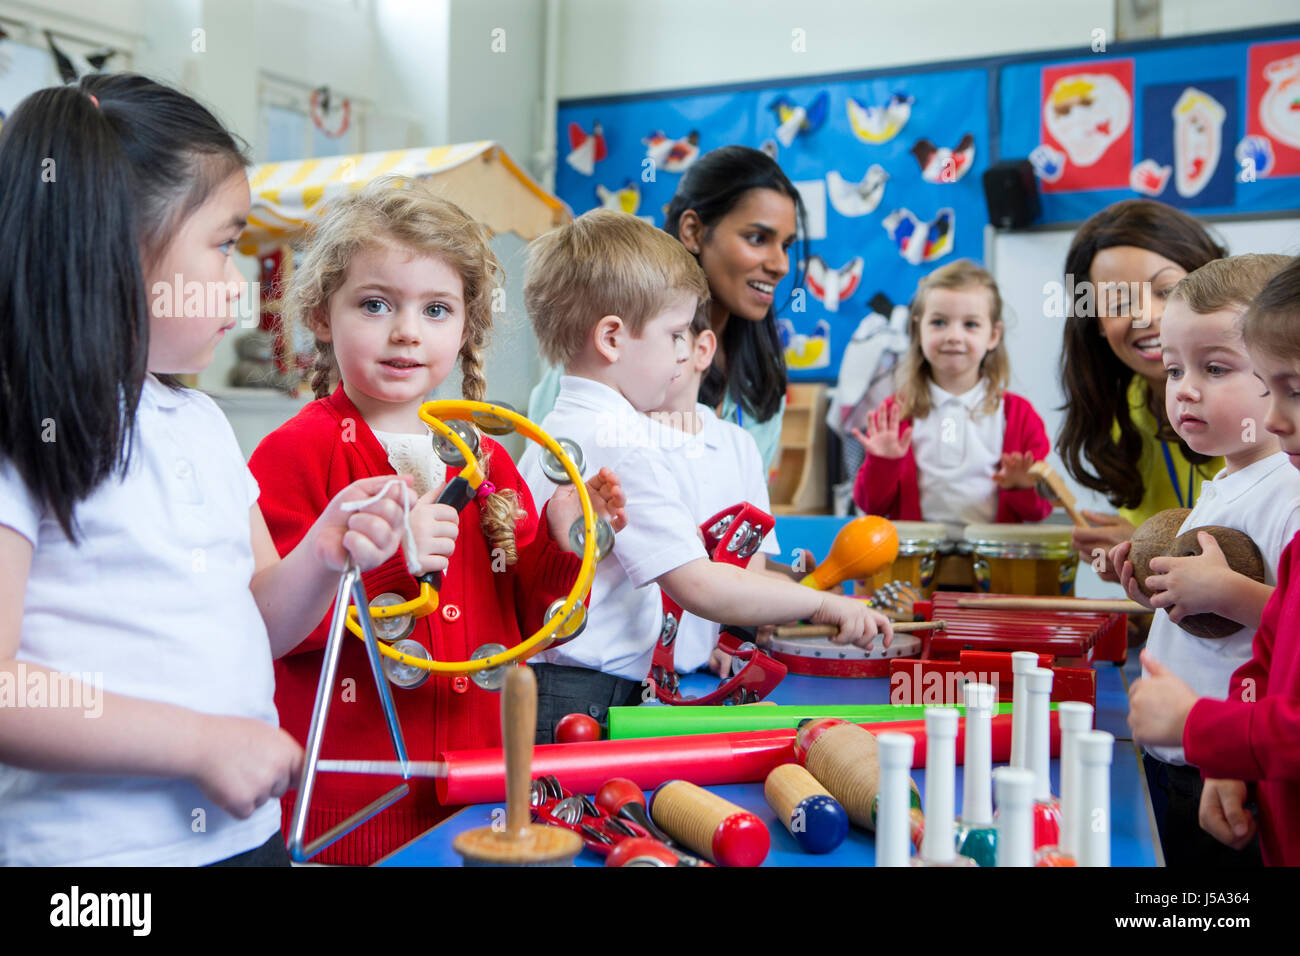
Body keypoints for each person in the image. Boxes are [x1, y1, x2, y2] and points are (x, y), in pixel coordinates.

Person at [0, 74, 410, 866]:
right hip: (95, 864)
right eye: (225, 245)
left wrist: (323, 555)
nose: (242, 285)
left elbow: (258, 618)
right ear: (115, 243)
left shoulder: (200, 424)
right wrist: (195, 743)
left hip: (244, 836)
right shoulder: (24, 425)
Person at [248, 177, 625, 864]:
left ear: (467, 328)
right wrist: (390, 561)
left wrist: (570, 537)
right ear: (321, 316)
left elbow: (529, 612)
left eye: (436, 310)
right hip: (351, 804)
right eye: (374, 304)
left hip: (474, 793)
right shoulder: (295, 453)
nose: (405, 333)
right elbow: (268, 629)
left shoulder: (487, 461)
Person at [518, 209, 891, 741]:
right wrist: (823, 602)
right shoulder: (622, 442)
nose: (682, 354)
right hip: (583, 697)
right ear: (612, 339)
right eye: (674, 334)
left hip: (557, 686)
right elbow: (700, 584)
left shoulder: (557, 427)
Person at [1126, 256, 1300, 866]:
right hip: (1199, 756)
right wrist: (1159, 582)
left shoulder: (1288, 488)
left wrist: (1224, 593)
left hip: (1241, 761)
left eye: (1215, 368)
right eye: (1173, 369)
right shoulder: (1226, 478)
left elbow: (1286, 627)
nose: (1185, 389)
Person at [529, 145, 804, 470]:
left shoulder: (761, 373)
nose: (781, 265)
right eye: (757, 238)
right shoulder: (603, 350)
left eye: (786, 245)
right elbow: (553, 477)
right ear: (693, 231)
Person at [1058, 200, 1227, 573]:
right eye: (1118, 301)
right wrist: (1134, 570)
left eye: (1166, 292)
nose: (1145, 315)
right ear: (1096, 323)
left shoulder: (1263, 405)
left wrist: (1146, 549)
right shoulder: (1121, 409)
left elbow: (1270, 562)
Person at [851, 259, 1052, 538]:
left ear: (993, 335)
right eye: (939, 322)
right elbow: (870, 505)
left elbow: (1040, 511)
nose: (953, 336)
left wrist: (1022, 486)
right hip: (916, 567)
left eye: (970, 324)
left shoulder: (1020, 415)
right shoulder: (895, 412)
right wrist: (883, 463)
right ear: (918, 330)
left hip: (993, 569)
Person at [644, 309, 781, 676]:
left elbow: (750, 561)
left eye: (671, 338)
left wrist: (730, 641)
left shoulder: (739, 446)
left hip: (704, 667)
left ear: (702, 350)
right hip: (632, 667)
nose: (654, 353)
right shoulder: (625, 436)